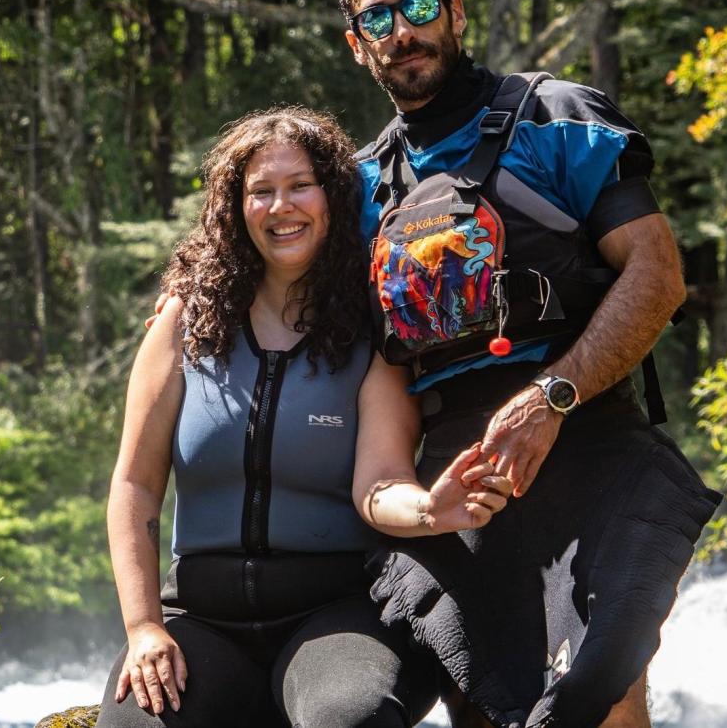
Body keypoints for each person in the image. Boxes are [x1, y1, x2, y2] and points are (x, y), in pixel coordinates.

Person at [337, 0, 722, 728]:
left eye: (417, 6)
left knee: (601, 694)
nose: (402, 30)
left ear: (455, 12)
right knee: (488, 705)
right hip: (456, 480)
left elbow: (657, 275)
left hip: (587, 438)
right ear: (358, 44)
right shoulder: (364, 188)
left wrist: (551, 397)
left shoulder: (556, 116)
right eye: (379, 18)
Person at [99, 107, 514, 728]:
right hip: (202, 619)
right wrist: (143, 627)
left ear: (333, 197)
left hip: (339, 616)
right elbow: (134, 486)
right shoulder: (183, 325)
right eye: (260, 191)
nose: (280, 206)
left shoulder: (372, 334)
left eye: (300, 186)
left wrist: (431, 509)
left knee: (355, 719)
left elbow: (378, 484)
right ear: (234, 210)